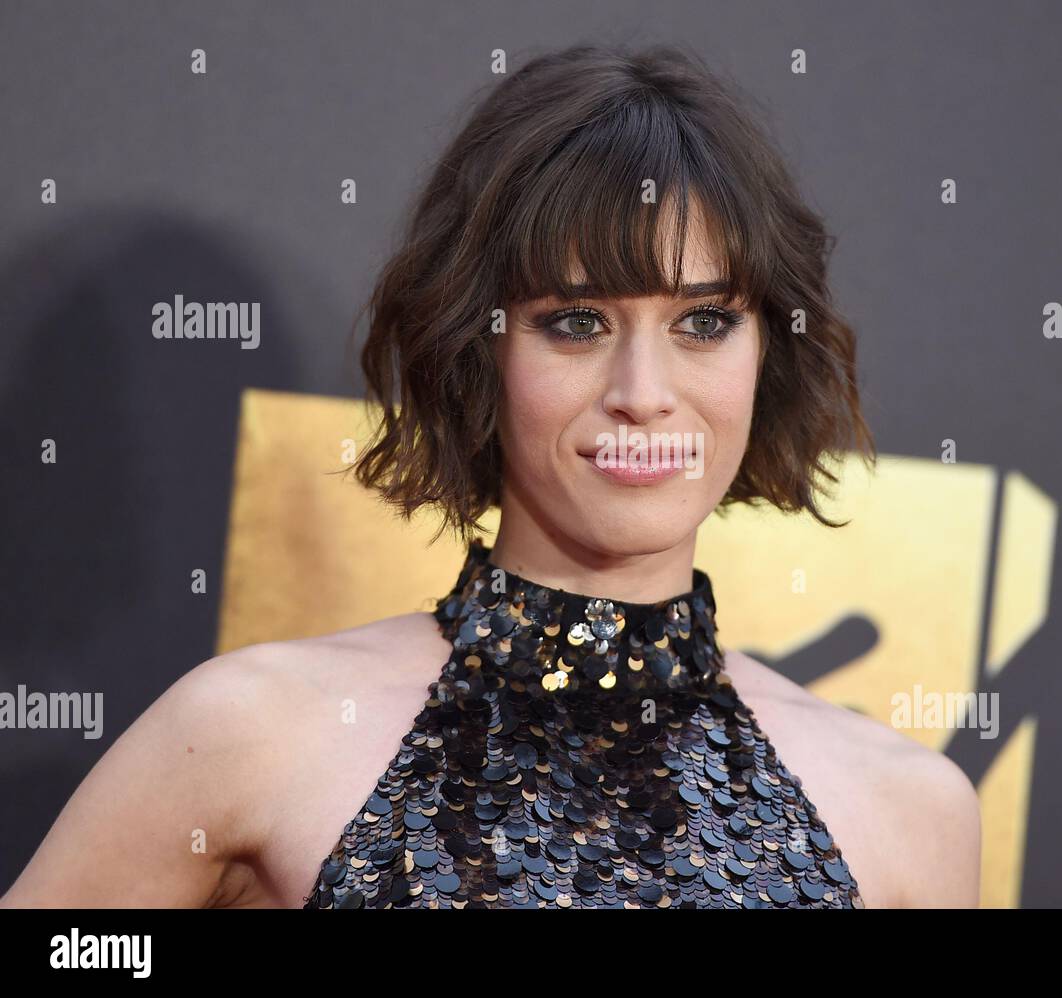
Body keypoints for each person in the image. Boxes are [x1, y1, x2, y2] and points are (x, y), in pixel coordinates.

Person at [1, 43, 980, 908]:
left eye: (703, 322)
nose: (645, 392)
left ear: (769, 351)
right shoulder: (246, 734)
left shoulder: (906, 808)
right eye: (576, 322)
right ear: (480, 350)